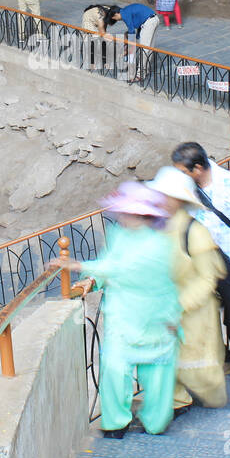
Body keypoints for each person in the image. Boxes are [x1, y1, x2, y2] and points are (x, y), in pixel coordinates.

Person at [51, 182, 180, 437]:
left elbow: (124, 268)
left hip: (156, 315)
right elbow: (111, 261)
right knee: (114, 368)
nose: (120, 217)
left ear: (142, 215)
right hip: (124, 315)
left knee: (156, 376)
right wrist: (92, 278)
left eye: (126, 213)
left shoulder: (159, 245)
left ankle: (155, 421)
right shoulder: (119, 235)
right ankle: (115, 422)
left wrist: (80, 266)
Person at [172, 141, 230, 392]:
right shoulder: (186, 189)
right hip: (198, 262)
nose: (179, 176)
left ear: (199, 167)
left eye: (183, 171)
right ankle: (222, 356)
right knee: (204, 315)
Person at [148, 167, 228, 415]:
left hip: (194, 311)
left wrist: (180, 305)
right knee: (166, 356)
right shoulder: (157, 227)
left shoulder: (195, 232)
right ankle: (176, 400)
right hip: (166, 305)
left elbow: (207, 278)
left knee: (196, 362)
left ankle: (196, 398)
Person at [109, 3, 159, 82]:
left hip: (148, 23)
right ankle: (146, 71)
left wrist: (129, 46)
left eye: (115, 18)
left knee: (144, 50)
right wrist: (138, 37)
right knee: (149, 49)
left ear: (116, 14)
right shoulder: (126, 10)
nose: (117, 20)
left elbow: (131, 31)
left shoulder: (124, 14)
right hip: (155, 19)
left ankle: (140, 75)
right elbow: (139, 23)